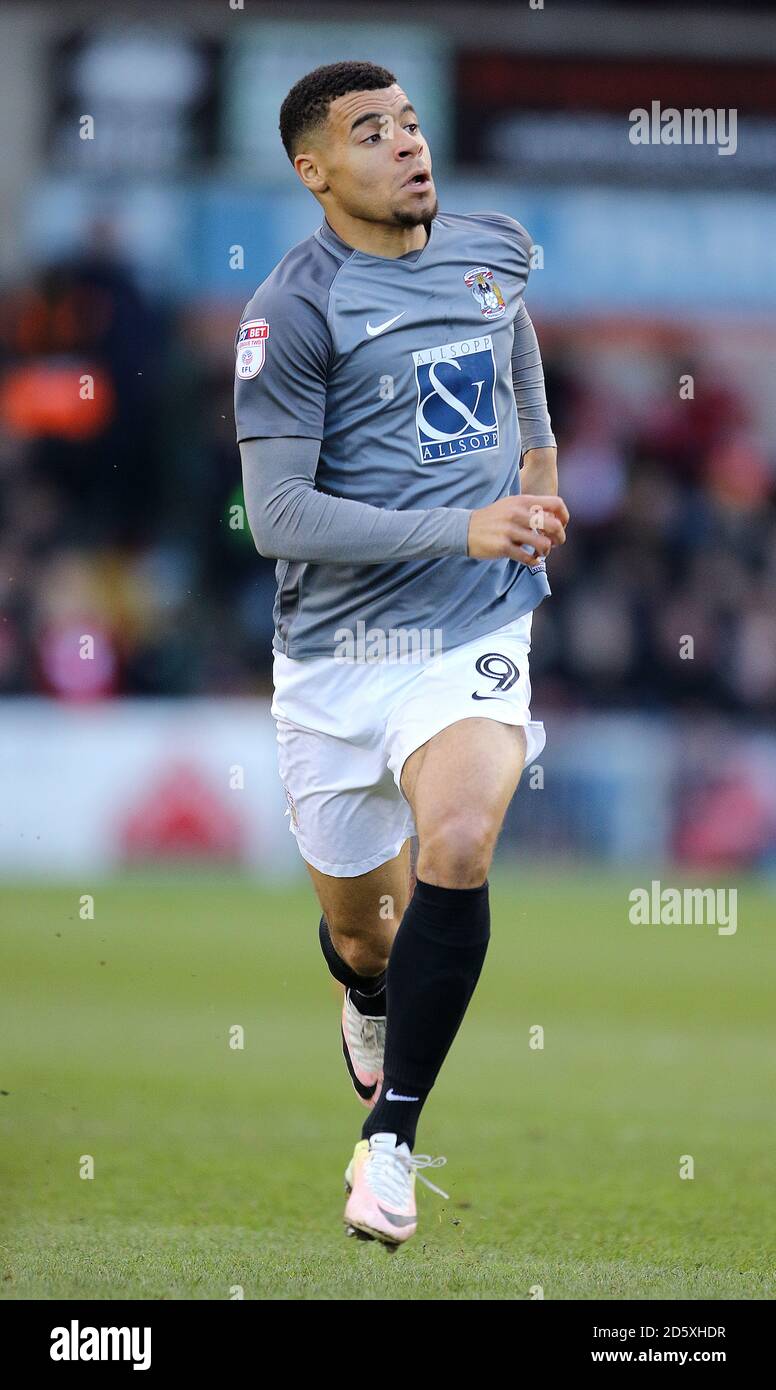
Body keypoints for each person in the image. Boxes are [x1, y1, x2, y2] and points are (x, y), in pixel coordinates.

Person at [234, 61, 568, 1247]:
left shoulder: (491, 245)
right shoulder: (292, 311)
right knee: (365, 932)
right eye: (372, 134)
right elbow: (275, 518)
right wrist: (457, 518)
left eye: (413, 124)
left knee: (463, 839)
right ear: (314, 171)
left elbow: (507, 329)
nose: (409, 147)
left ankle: (389, 1141)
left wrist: (535, 463)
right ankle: (363, 989)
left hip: (469, 623)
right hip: (333, 657)